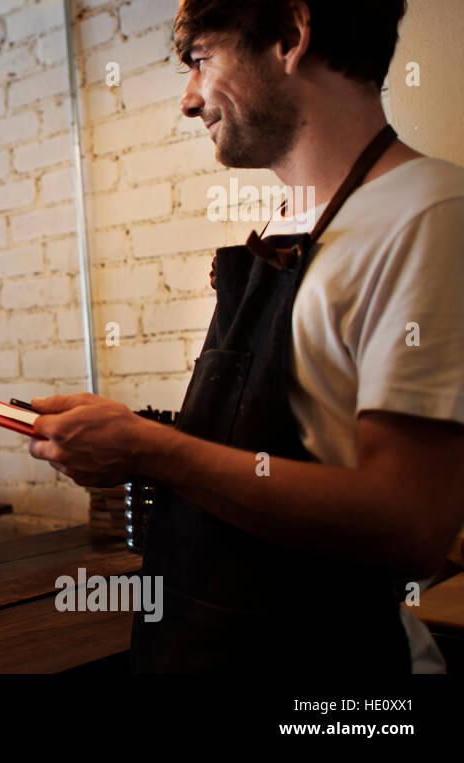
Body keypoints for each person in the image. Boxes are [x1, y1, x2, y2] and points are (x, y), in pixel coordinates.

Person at [25, 0, 464, 672]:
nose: (188, 100)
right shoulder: (286, 226)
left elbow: (408, 523)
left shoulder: (429, 214)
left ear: (289, 36)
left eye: (201, 60)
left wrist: (152, 450)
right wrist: (124, 444)